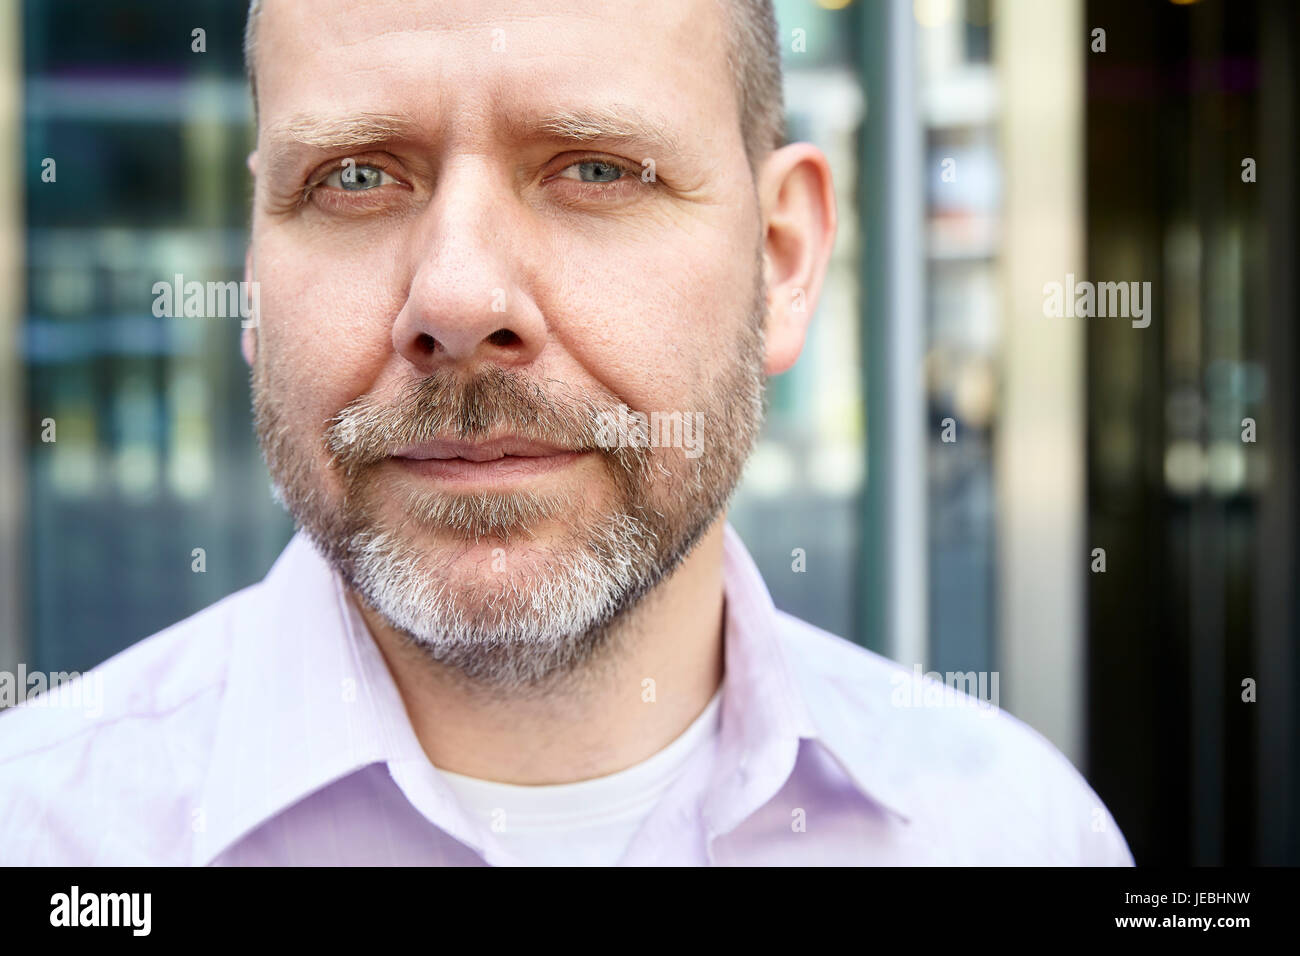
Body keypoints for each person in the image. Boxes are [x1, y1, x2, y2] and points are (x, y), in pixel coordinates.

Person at [0, 0, 1133, 866]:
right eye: (353, 177)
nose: (456, 296)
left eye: (595, 169)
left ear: (781, 264)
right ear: (252, 269)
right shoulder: (40, 829)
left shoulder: (1013, 836)